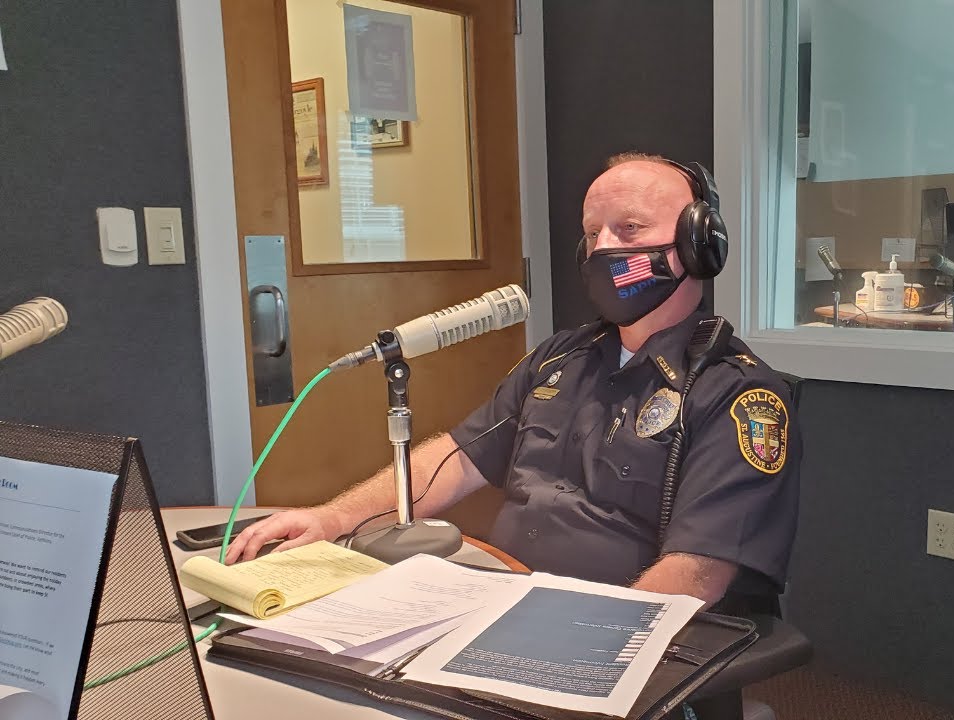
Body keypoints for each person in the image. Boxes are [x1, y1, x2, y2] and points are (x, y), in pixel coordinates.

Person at [226, 153, 802, 611]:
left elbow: (697, 574)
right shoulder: (558, 360)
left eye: (629, 229)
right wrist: (331, 519)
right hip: (505, 598)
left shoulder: (738, 395)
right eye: (593, 232)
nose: (604, 248)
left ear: (699, 245)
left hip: (622, 629)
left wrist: (580, 641)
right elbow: (453, 460)